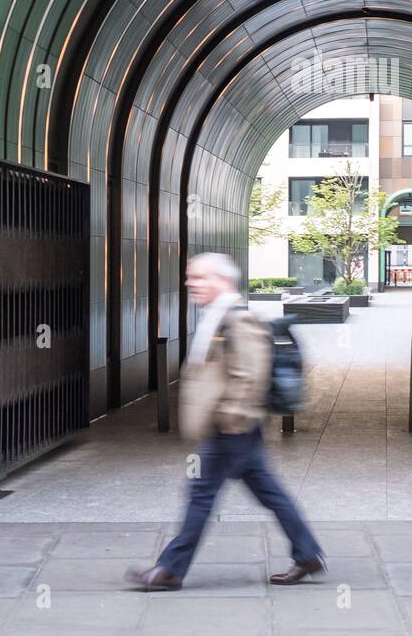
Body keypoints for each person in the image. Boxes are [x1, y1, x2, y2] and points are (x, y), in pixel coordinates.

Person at [124, 252, 325, 591]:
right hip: (232, 426)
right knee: (266, 490)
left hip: (233, 425)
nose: (191, 283)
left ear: (222, 280)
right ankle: (307, 554)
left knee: (202, 493)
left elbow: (249, 376)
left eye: (199, 277)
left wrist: (232, 420)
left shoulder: (237, 319)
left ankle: (171, 569)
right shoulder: (217, 316)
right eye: (191, 277)